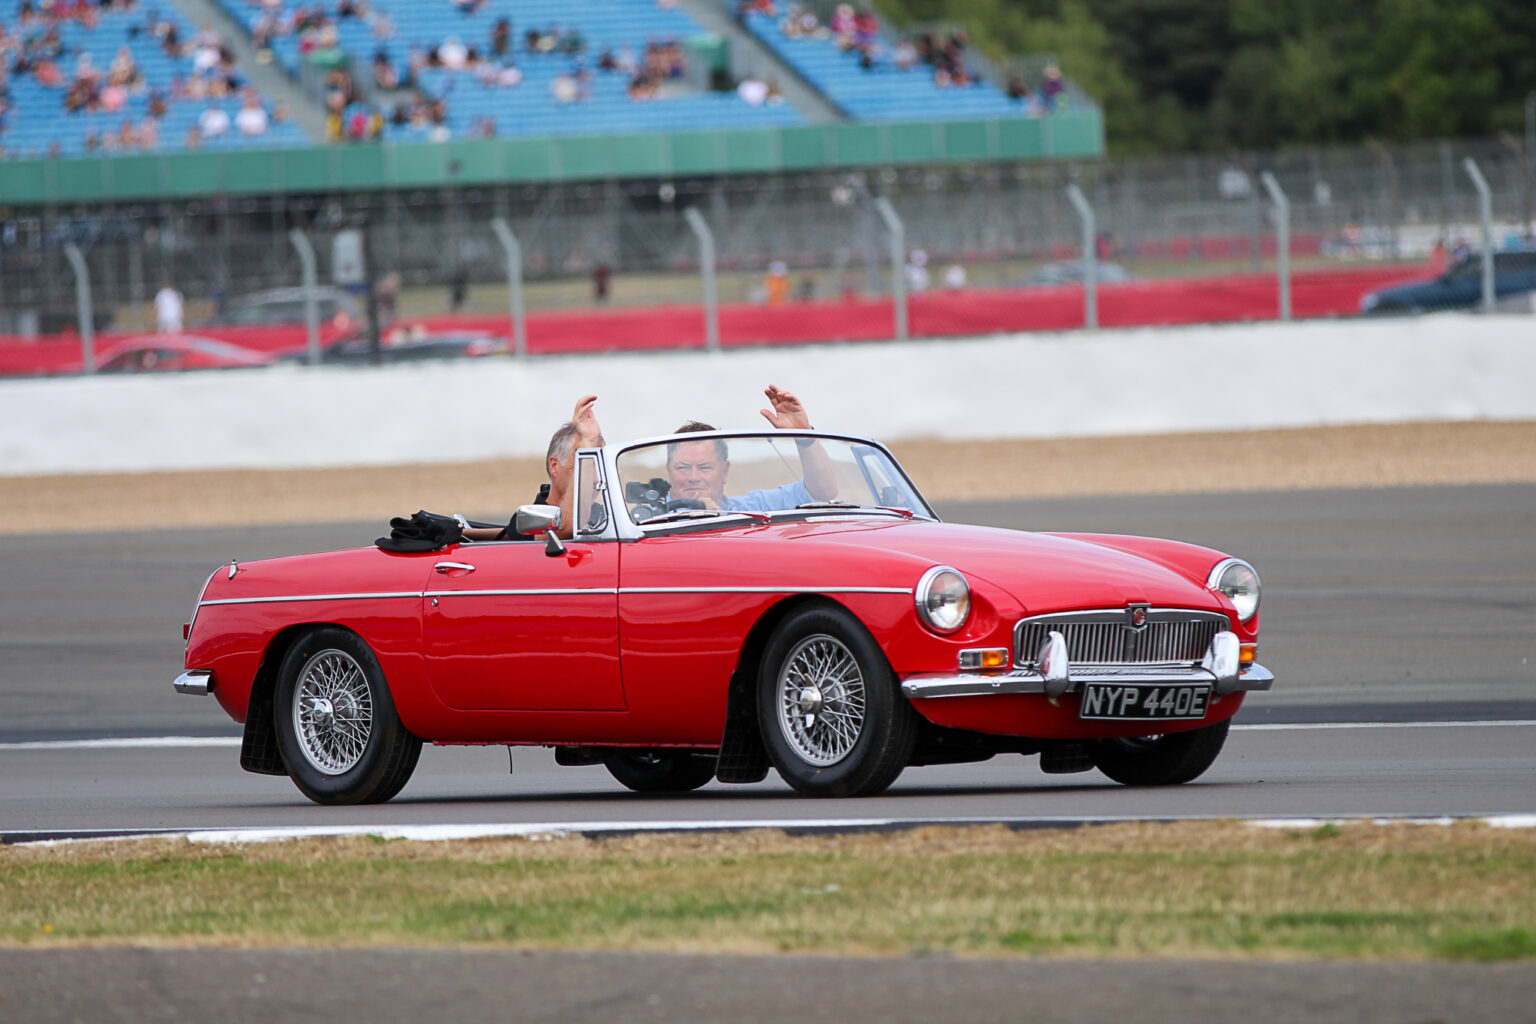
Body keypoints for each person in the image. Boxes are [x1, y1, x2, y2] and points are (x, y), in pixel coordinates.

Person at [665, 386, 837, 512]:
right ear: (669, 471)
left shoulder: (753, 511)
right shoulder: (650, 520)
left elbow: (822, 493)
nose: (694, 478)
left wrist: (804, 437)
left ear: (724, 471)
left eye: (704, 467)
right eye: (683, 467)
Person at [462, 395, 604, 542]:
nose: (596, 478)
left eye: (599, 465)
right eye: (585, 464)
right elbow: (566, 528)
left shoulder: (603, 516)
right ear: (554, 466)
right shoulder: (530, 519)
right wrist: (587, 442)